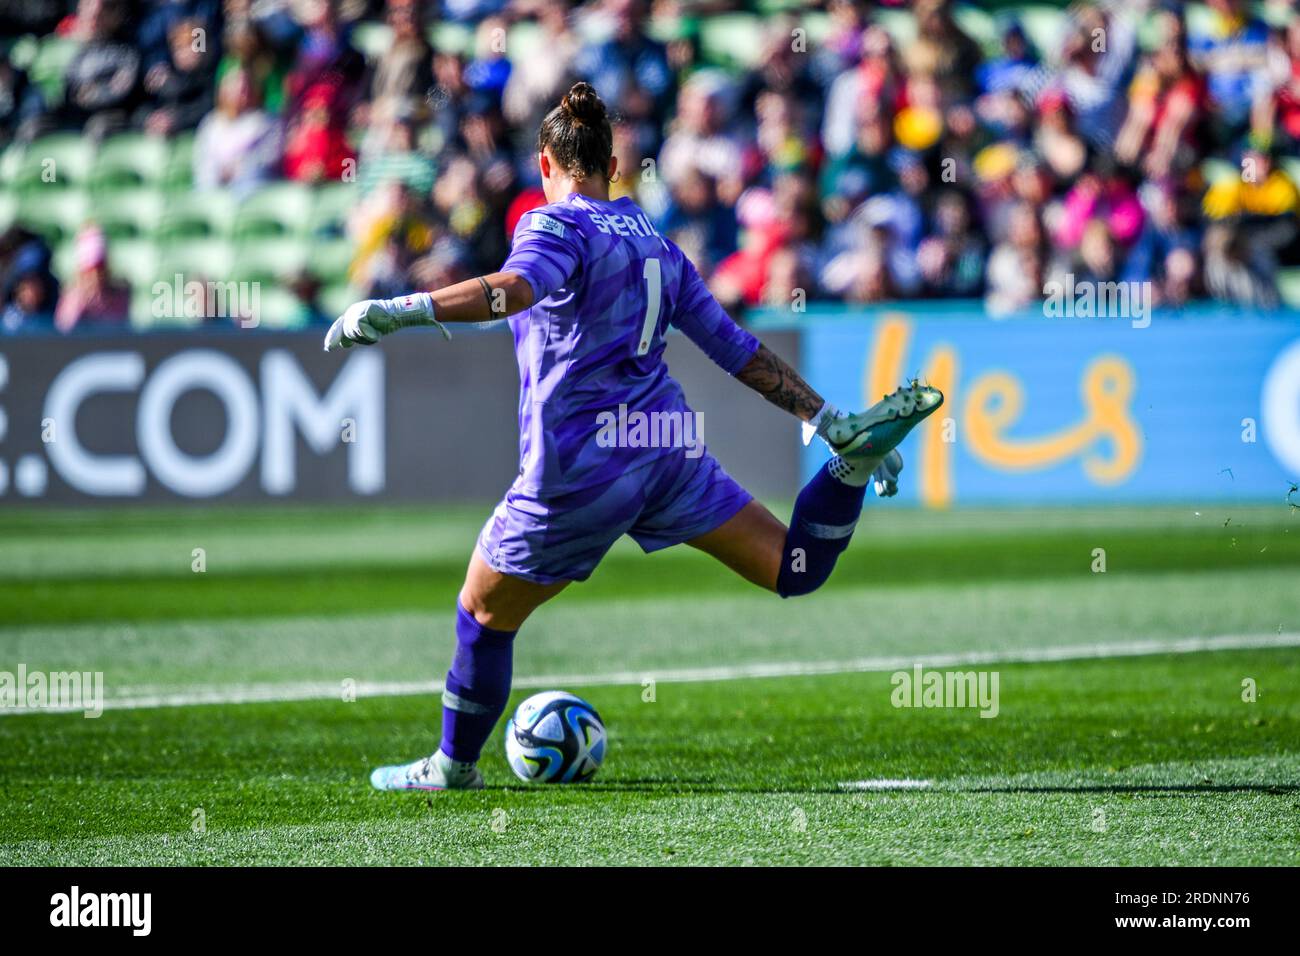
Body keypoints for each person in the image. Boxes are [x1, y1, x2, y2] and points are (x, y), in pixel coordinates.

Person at [323, 83, 943, 791]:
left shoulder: (553, 226)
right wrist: (827, 421)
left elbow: (514, 291)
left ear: (546, 166)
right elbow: (736, 348)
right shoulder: (657, 243)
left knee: (482, 615)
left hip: (582, 469)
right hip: (664, 449)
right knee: (794, 568)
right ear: (614, 167)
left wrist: (403, 308)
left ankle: (452, 767)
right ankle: (851, 471)